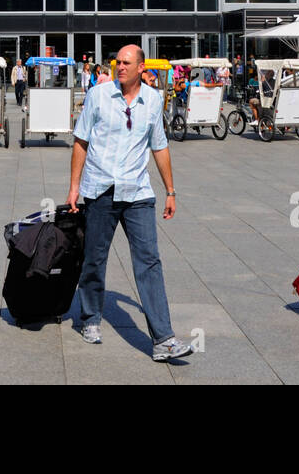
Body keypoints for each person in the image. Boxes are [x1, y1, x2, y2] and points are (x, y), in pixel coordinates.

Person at [69, 44, 195, 363]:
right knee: (94, 258)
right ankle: (91, 318)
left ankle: (163, 339)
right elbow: (81, 140)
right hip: (101, 189)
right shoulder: (98, 95)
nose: (120, 67)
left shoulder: (152, 100)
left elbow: (159, 146)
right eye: (117, 62)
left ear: (141, 68)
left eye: (126, 63)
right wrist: (74, 188)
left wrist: (170, 190)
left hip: (138, 192)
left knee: (149, 261)